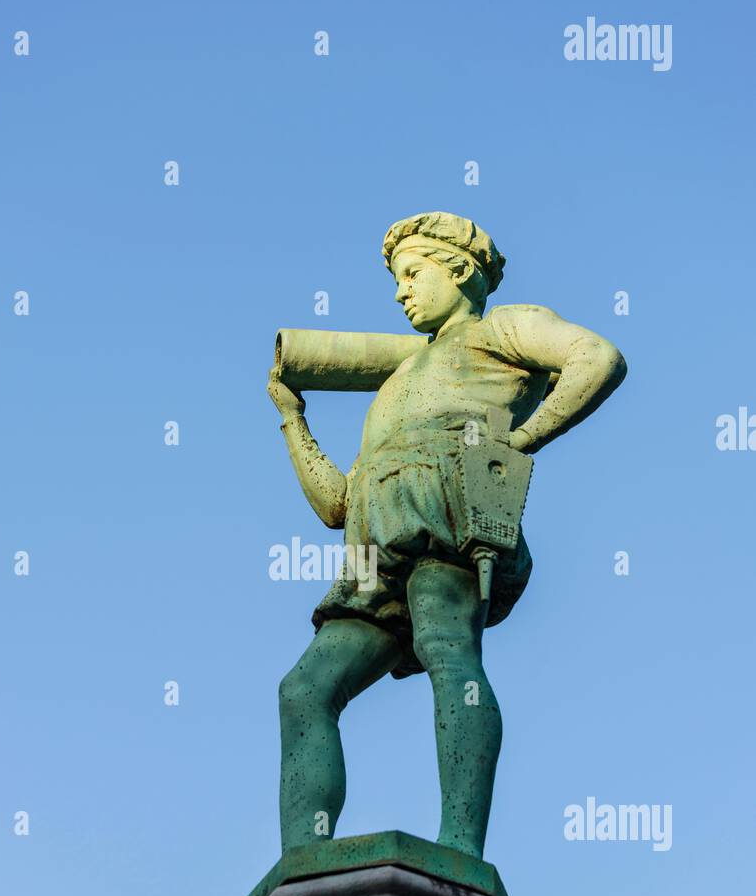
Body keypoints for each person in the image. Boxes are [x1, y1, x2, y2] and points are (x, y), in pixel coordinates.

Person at [268, 211, 626, 857]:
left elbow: (596, 358)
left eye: (411, 274)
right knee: (303, 690)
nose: (400, 291)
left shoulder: (502, 327)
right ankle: (302, 861)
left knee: (445, 649)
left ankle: (459, 846)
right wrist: (293, 421)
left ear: (458, 269)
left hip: (448, 517)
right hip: (373, 539)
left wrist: (516, 443)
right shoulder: (397, 378)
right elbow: (337, 503)